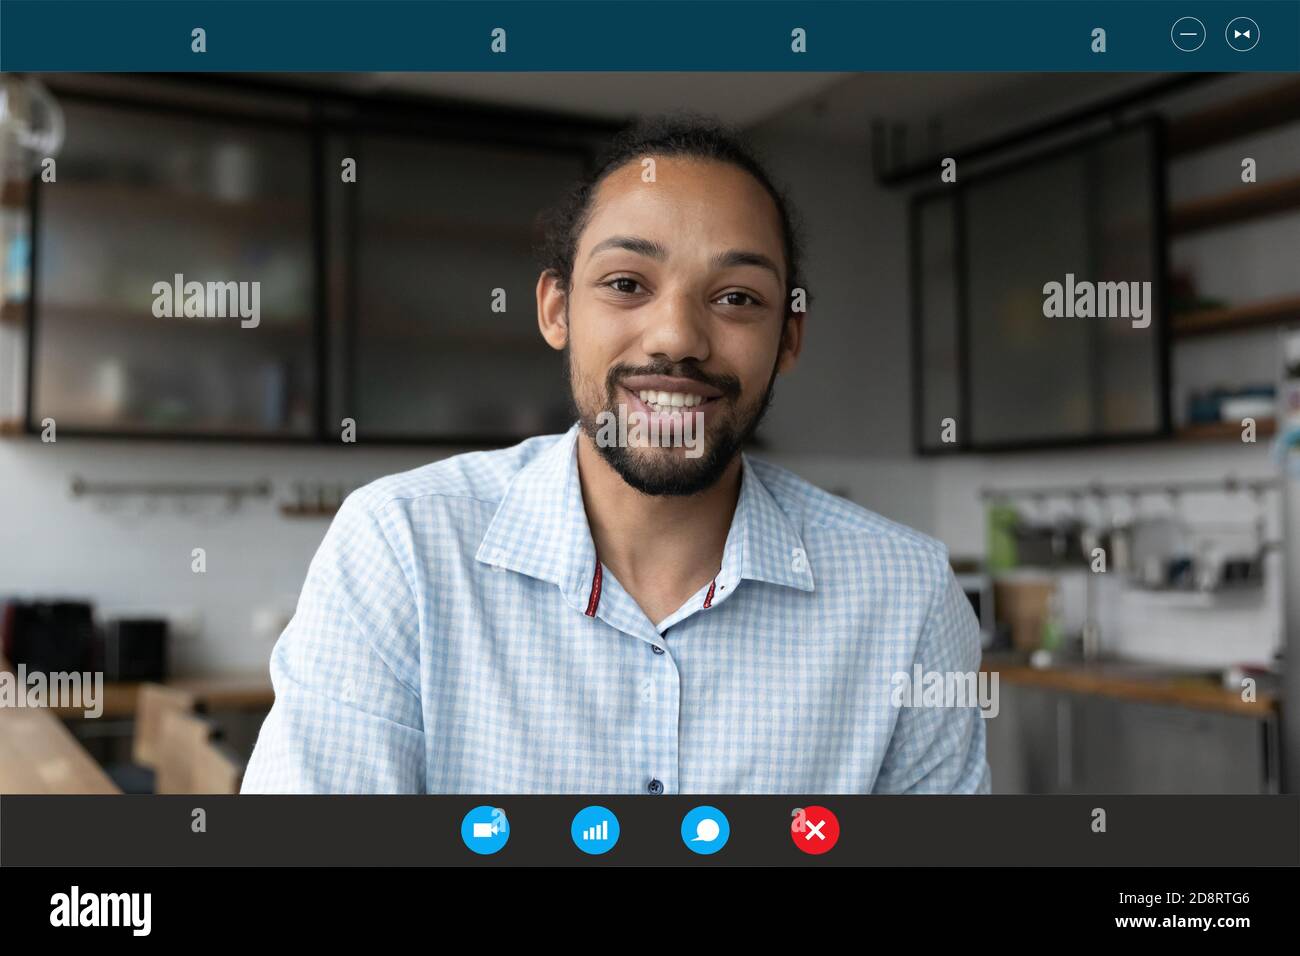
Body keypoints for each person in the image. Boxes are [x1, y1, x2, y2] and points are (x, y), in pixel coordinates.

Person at [242, 115, 990, 794]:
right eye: (627, 284)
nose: (677, 338)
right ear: (557, 310)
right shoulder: (400, 548)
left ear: (788, 338)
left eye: (736, 297)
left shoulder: (908, 598)